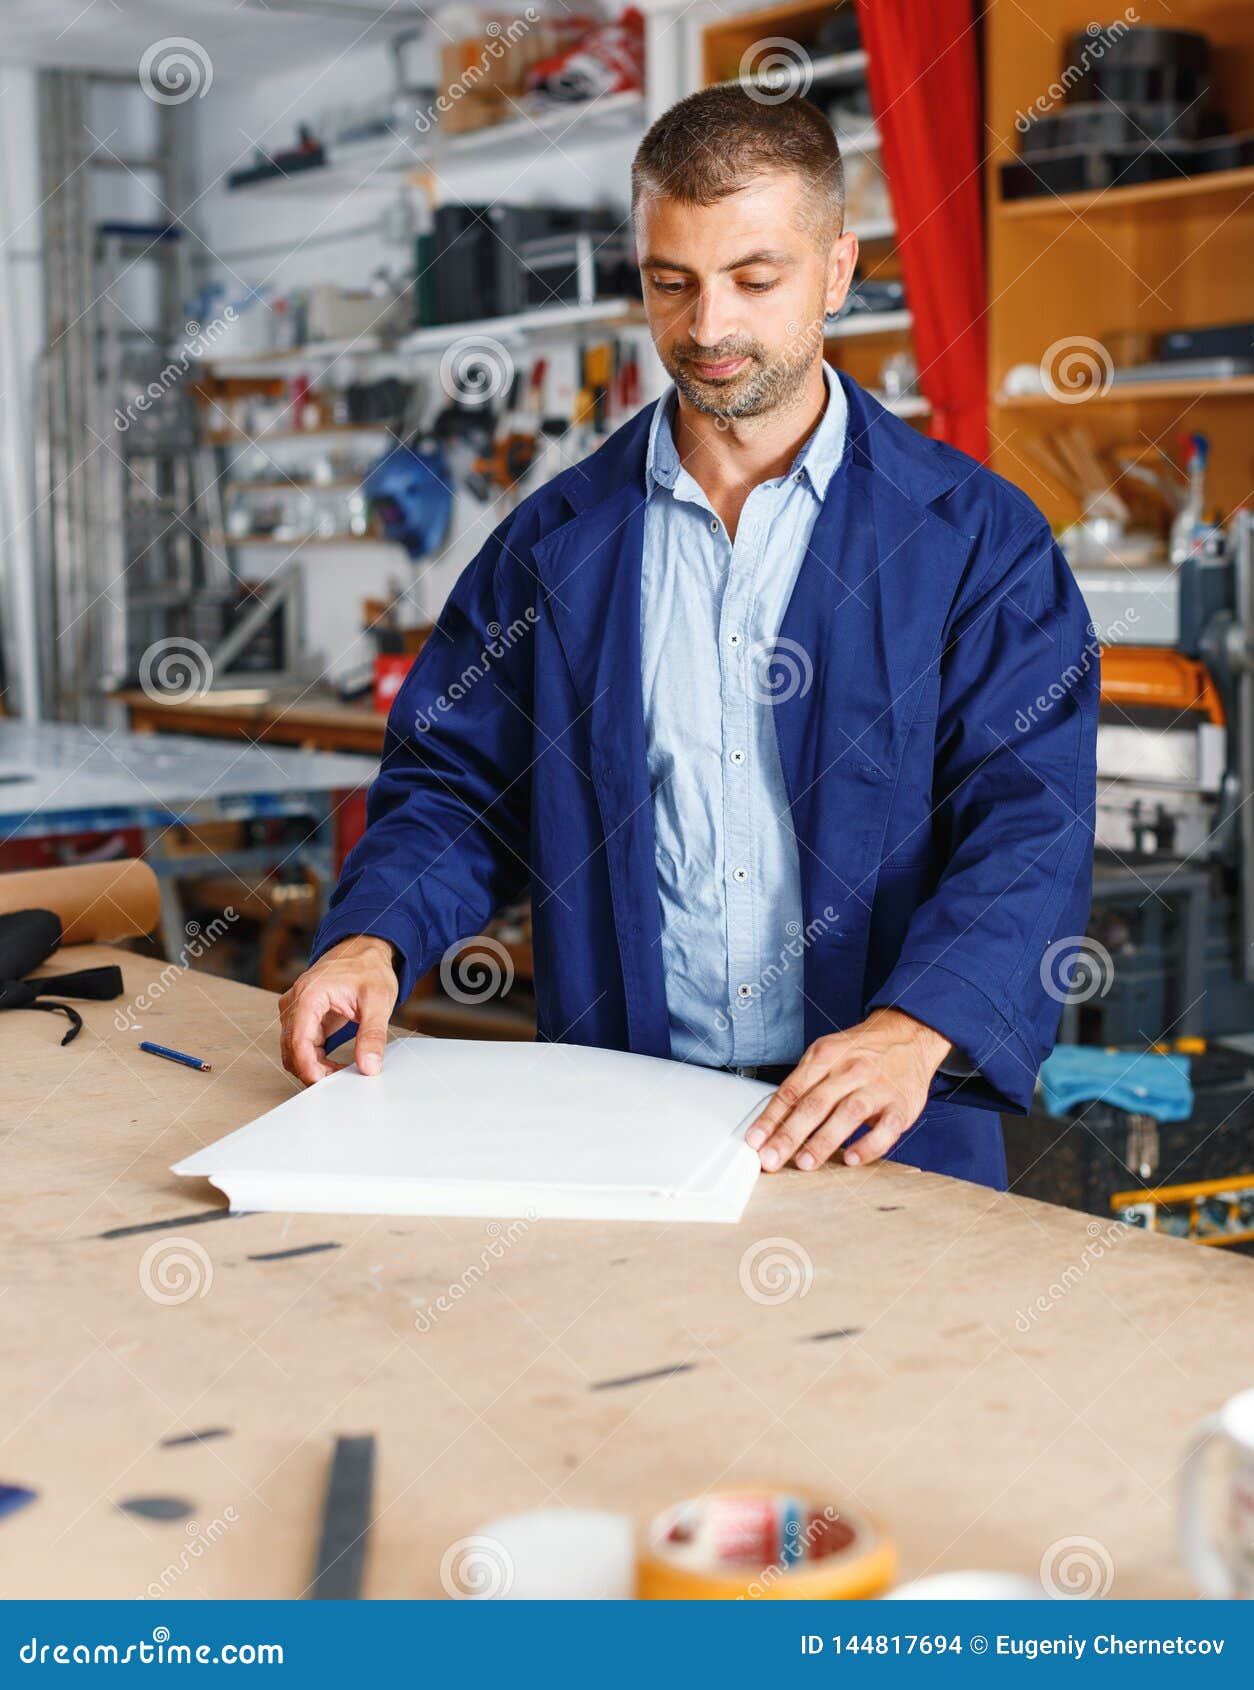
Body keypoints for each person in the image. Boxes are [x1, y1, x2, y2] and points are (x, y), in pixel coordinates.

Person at [280, 84, 1098, 1191]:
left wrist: (919, 1023)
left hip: (891, 1132)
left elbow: (1030, 824)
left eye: (755, 280)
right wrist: (371, 934)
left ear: (839, 271)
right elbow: (460, 784)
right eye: (673, 283)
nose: (708, 327)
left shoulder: (972, 541)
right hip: (624, 1117)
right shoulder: (555, 545)